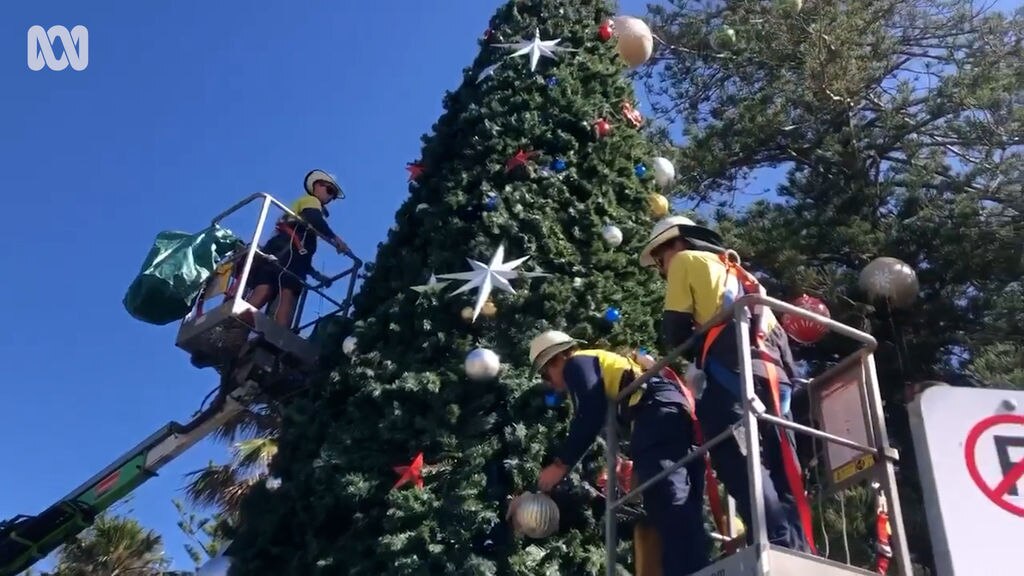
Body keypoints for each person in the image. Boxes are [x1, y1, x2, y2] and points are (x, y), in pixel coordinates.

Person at [638, 215, 815, 554]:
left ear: (675, 244)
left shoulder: (685, 261)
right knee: (782, 466)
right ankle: (798, 548)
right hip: (777, 385)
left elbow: (675, 332)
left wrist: (695, 359)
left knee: (738, 459)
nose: (662, 270)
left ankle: (774, 543)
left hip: (729, 380)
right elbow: (783, 349)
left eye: (660, 261)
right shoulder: (744, 277)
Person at [510, 331, 711, 575]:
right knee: (683, 502)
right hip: (671, 413)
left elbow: (589, 415)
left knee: (666, 496)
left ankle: (685, 570)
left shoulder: (577, 363)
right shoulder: (599, 364)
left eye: (545, 374)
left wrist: (561, 465)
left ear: (558, 359)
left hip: (654, 413)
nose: (549, 382)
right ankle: (697, 567)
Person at [244, 169, 351, 327]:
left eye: (333, 196)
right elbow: (314, 218)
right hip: (287, 252)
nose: (330, 197)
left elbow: (303, 258)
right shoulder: (311, 201)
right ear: (317, 186)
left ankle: (233, 327)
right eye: (329, 190)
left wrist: (316, 274)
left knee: (263, 290)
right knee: (286, 296)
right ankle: (278, 339)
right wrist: (335, 238)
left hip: (279, 252)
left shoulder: (306, 230)